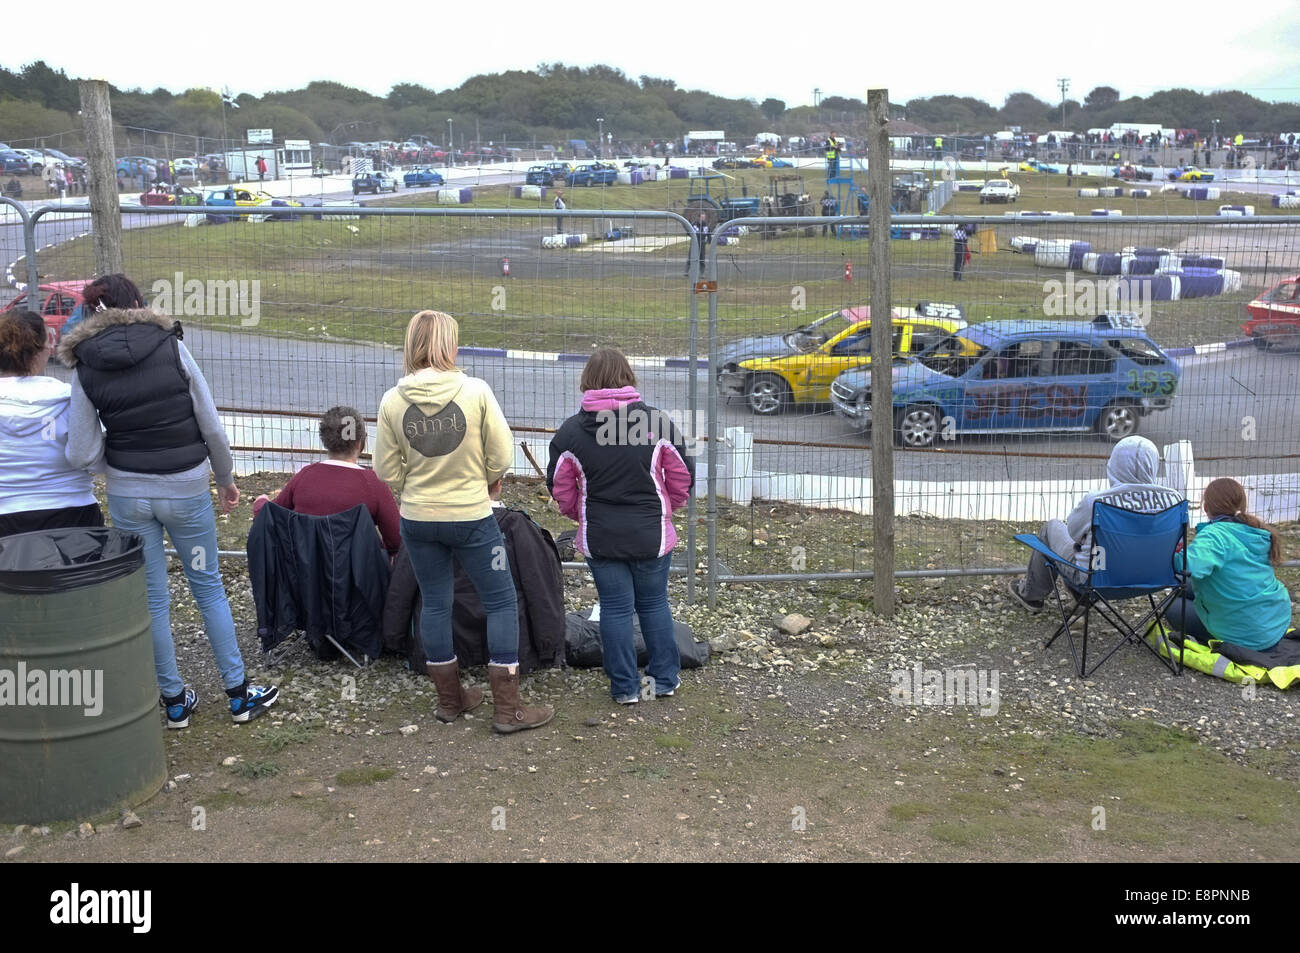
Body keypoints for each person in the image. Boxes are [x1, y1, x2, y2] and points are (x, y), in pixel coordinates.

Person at [60, 274, 278, 728]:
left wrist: (114, 464)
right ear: (138, 303)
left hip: (128, 497)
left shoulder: (83, 363)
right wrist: (224, 477)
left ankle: (175, 703)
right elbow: (211, 425)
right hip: (186, 492)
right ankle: (239, 696)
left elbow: (80, 452)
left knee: (153, 599)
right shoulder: (170, 344)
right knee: (208, 586)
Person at [374, 310, 553, 733]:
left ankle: (450, 701)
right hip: (472, 518)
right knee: (501, 601)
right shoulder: (475, 391)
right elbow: (502, 454)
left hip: (417, 519)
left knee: (436, 603)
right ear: (445, 346)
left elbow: (385, 470)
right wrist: (486, 479)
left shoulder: (392, 400)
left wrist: (413, 485)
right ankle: (507, 710)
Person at [547, 348, 695, 704]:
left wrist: (577, 516)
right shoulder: (656, 423)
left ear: (588, 381)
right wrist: (668, 509)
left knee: (614, 608)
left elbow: (560, 487)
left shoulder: (570, 433)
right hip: (652, 536)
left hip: (601, 537)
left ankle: (625, 688)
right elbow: (681, 476)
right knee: (654, 604)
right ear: (629, 377)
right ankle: (663, 680)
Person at [1008, 436, 1183, 612]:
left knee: (1052, 528)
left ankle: (1032, 595)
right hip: (1157, 580)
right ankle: (1081, 597)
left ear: (1114, 464)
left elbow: (1072, 533)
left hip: (1098, 580)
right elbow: (1178, 543)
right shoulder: (1175, 499)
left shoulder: (1097, 501)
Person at [0, 311, 101, 538]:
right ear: (40, 350)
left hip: (5, 516)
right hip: (73, 513)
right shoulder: (68, 397)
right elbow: (95, 457)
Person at [1161, 478, 1292, 652]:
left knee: (1170, 604)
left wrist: (1177, 553)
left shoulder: (1214, 535)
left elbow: (1188, 566)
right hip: (1275, 625)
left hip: (1243, 635)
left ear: (1206, 507)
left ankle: (1217, 631)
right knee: (1186, 585)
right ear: (1242, 504)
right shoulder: (1256, 531)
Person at [253, 405, 401, 555]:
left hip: (306, 573)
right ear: (360, 443)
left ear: (325, 441)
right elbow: (396, 540)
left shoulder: (305, 476)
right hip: (357, 574)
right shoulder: (374, 484)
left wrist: (260, 502)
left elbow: (269, 517)